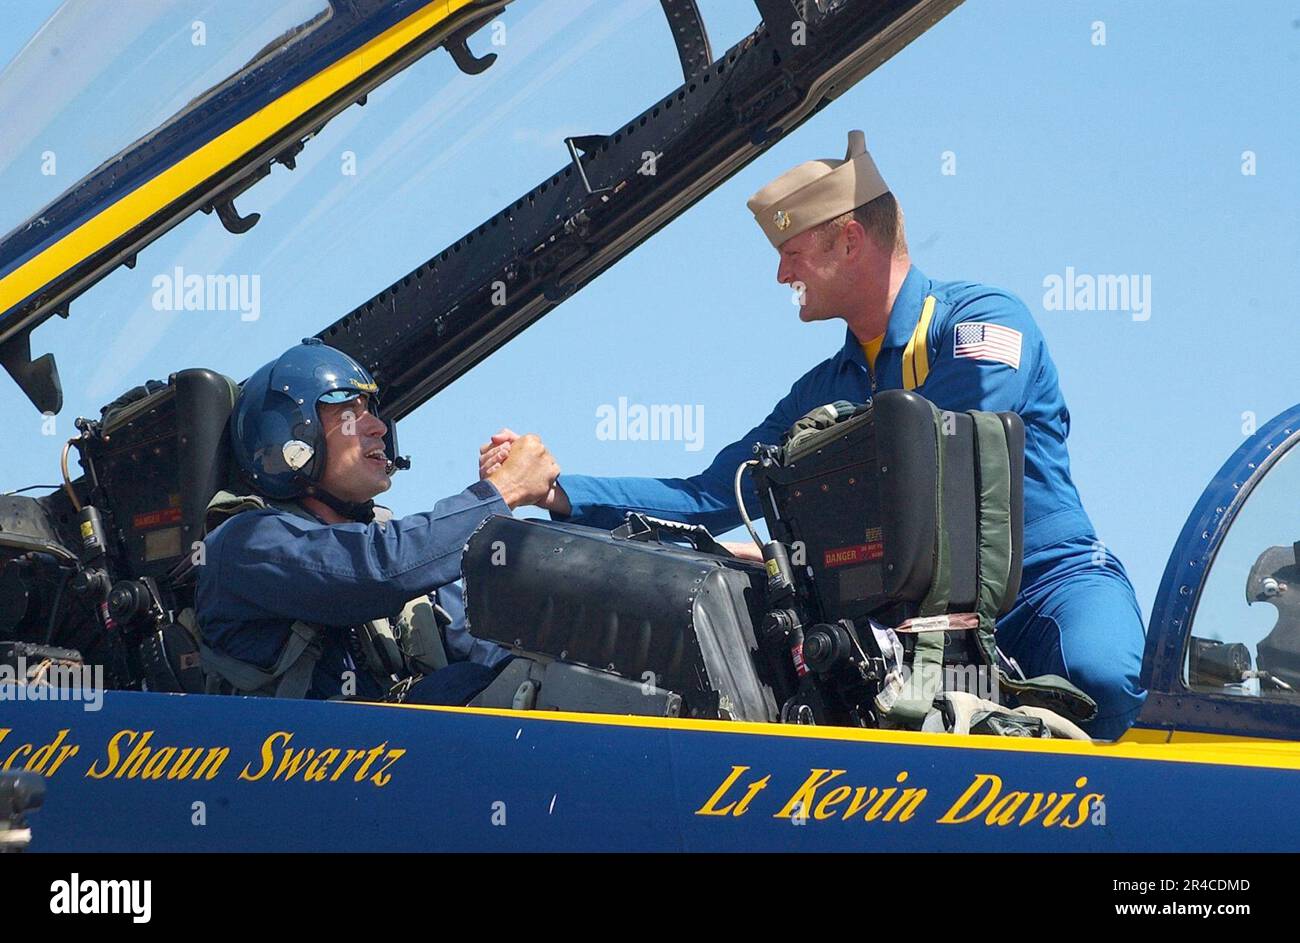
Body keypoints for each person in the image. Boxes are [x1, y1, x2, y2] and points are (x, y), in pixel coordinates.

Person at [480, 131, 1147, 739]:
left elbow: (938, 453)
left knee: (1099, 674)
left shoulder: (979, 324)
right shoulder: (821, 391)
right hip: (911, 621)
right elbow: (714, 490)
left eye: (791, 253)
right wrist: (558, 491)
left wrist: (788, 557)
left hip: (1041, 586)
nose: (781, 275)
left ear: (848, 240)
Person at [195, 338, 560, 704]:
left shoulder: (406, 565)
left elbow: (493, 653)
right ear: (289, 436)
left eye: (370, 410)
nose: (379, 428)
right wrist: (502, 490)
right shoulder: (244, 545)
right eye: (350, 415)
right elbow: (376, 569)